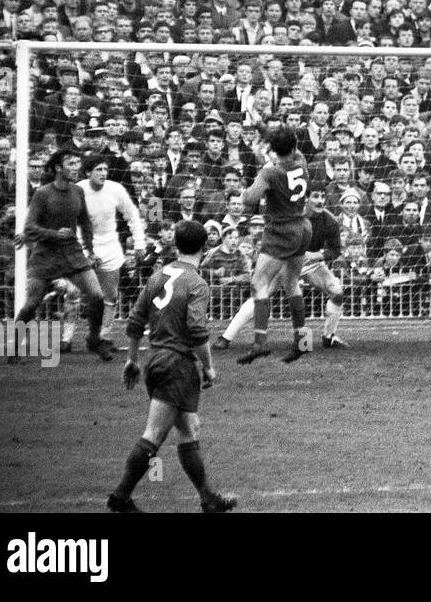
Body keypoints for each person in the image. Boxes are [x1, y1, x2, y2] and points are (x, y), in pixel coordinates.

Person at [107, 219, 235, 513]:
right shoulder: (197, 283)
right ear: (205, 246)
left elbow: (135, 320)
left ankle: (208, 499)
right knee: (154, 435)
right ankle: (120, 497)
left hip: (155, 361)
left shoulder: (157, 276)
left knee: (189, 428)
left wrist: (132, 360)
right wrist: (209, 367)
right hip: (177, 364)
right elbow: (198, 332)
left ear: (175, 245)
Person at [216, 187, 347, 353]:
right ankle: (226, 337)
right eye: (315, 196)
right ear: (305, 199)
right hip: (284, 259)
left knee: (337, 291)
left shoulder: (330, 221)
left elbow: (335, 250)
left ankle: (329, 337)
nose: (320, 200)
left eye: (323, 196)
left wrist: (317, 255)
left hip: (310, 262)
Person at [12, 149, 110, 360]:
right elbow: (29, 229)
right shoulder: (43, 194)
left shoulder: (78, 192)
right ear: (58, 168)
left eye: (78, 163)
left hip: (72, 254)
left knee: (97, 296)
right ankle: (15, 346)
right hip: (45, 256)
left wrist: (90, 251)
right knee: (31, 304)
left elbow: (84, 223)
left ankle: (94, 340)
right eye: (71, 163)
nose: (76, 167)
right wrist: (54, 234)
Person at [236, 127, 313, 364]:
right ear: (293, 147)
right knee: (292, 283)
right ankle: (302, 343)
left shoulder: (269, 173)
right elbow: (290, 149)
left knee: (259, 283)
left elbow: (249, 199)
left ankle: (259, 344)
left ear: (272, 149)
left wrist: (245, 188)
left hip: (280, 231)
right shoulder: (301, 162)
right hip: (302, 227)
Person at [78, 154, 146, 354]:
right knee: (78, 293)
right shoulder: (78, 190)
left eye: (105, 170)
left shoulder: (116, 189)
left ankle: (104, 337)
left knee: (110, 296)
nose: (102, 173)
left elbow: (132, 214)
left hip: (109, 246)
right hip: (83, 245)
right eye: (98, 170)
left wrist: (140, 242)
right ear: (88, 172)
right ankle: (67, 337)